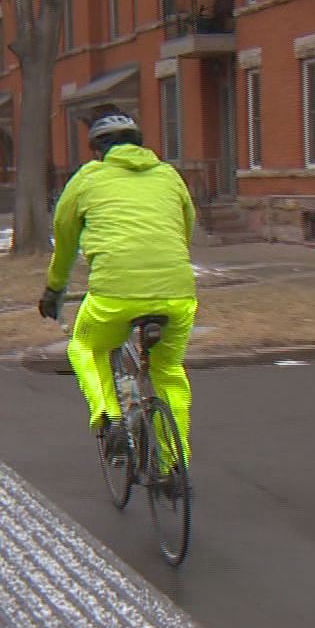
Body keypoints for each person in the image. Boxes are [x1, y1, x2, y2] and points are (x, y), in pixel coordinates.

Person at [38, 111, 198, 471]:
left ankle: (110, 417)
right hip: (177, 291)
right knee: (169, 370)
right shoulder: (169, 175)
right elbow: (185, 229)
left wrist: (55, 289)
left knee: (85, 346)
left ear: (99, 151)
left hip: (114, 293)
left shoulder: (87, 179)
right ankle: (175, 465)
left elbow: (65, 238)